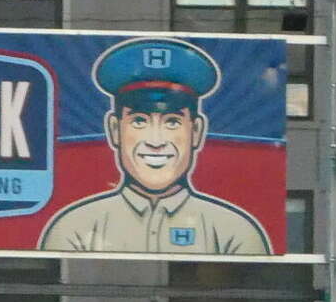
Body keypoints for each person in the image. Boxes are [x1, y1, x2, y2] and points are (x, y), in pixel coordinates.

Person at [39, 37, 272, 254]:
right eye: (139, 121)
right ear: (114, 130)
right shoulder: (74, 227)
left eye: (172, 122)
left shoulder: (235, 231)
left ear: (197, 132)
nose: (156, 141)